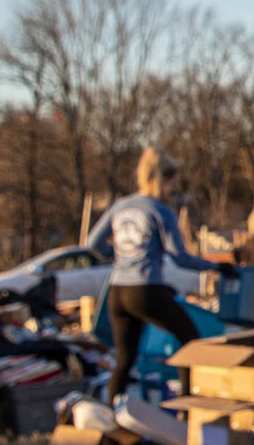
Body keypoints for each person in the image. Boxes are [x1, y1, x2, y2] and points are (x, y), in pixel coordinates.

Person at [85, 147, 231, 400]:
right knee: (190, 340)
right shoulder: (160, 211)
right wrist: (217, 267)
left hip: (117, 291)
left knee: (124, 358)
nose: (173, 190)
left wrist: (120, 256)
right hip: (146, 290)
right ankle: (189, 408)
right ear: (162, 179)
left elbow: (91, 244)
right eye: (171, 184)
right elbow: (180, 257)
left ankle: (113, 419)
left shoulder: (121, 205)